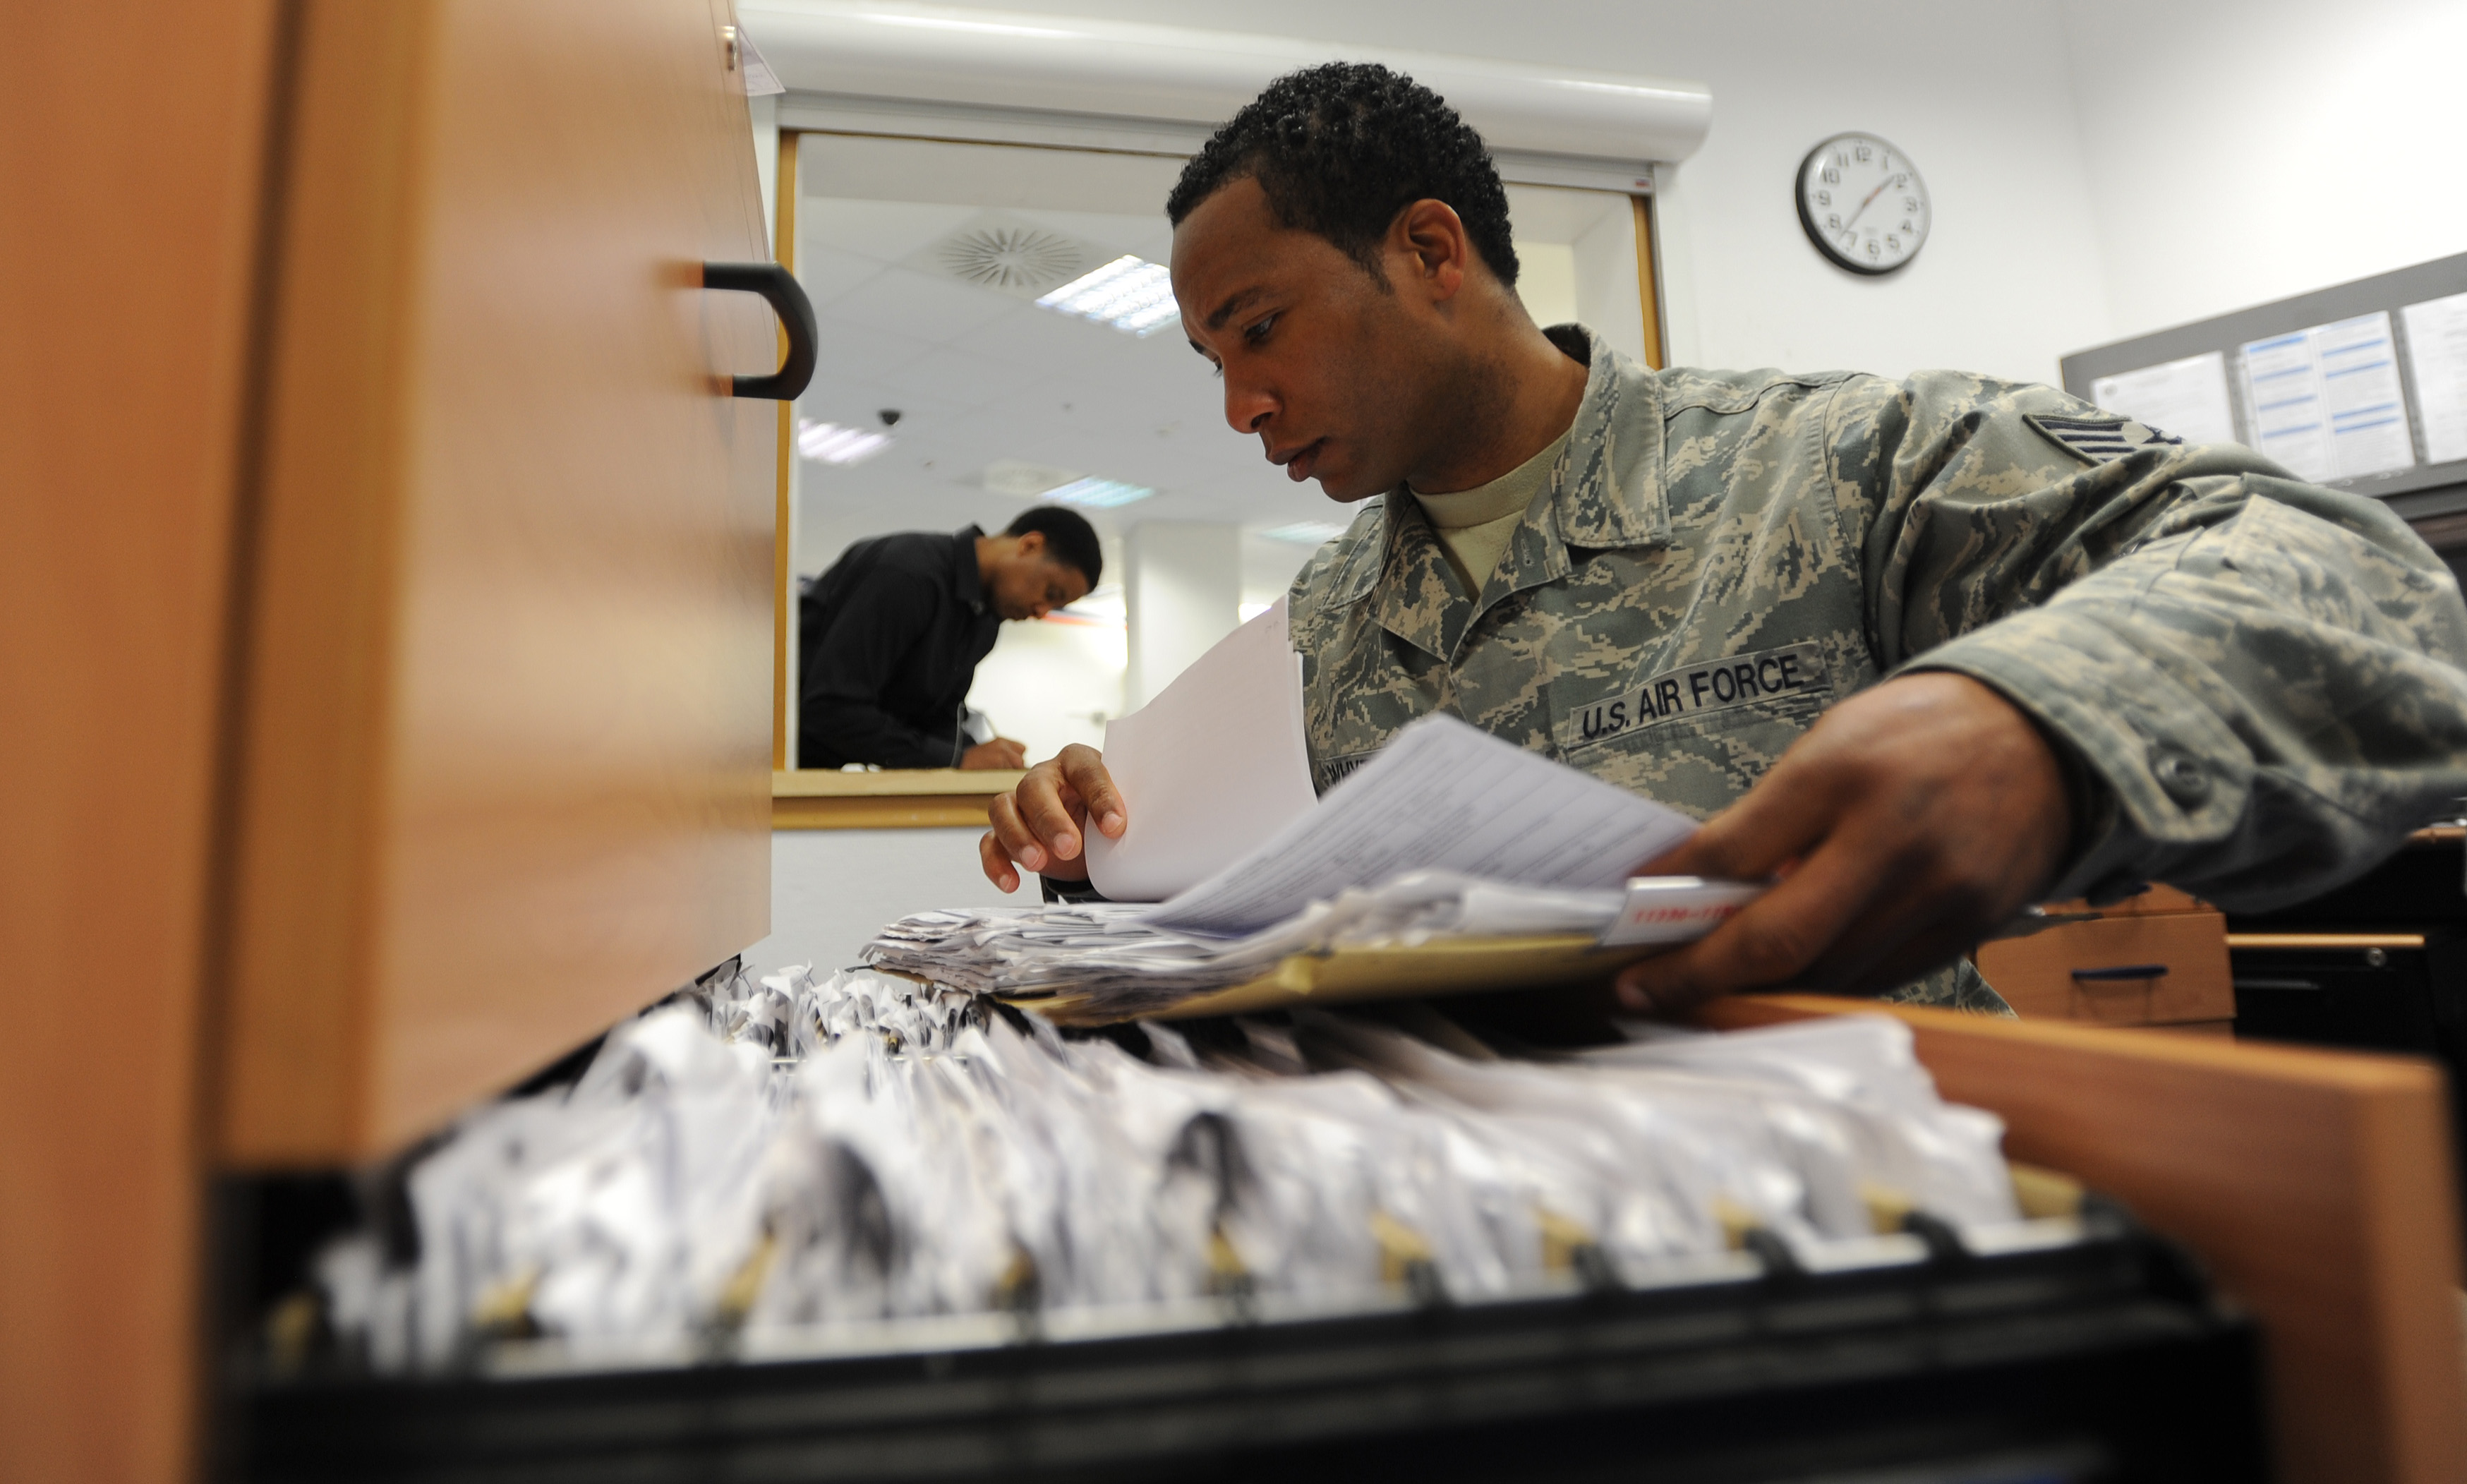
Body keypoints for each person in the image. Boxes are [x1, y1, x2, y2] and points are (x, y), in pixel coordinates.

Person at [978, 62, 2467, 1014]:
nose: (1240, 402)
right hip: (1471, 1240)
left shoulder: (1837, 463)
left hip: (1864, 1228)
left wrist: (2045, 723)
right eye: (1211, 364)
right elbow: (1260, 940)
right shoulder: (1313, 632)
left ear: (1429, 253)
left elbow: (2358, 581)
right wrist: (1097, 837)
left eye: (1258, 330)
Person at [800, 507, 1101, 771]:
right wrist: (956, 759)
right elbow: (827, 707)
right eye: (1050, 593)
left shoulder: (984, 620)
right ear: (1030, 545)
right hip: (770, 772)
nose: (1041, 612)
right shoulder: (908, 574)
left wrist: (982, 756)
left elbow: (932, 720)